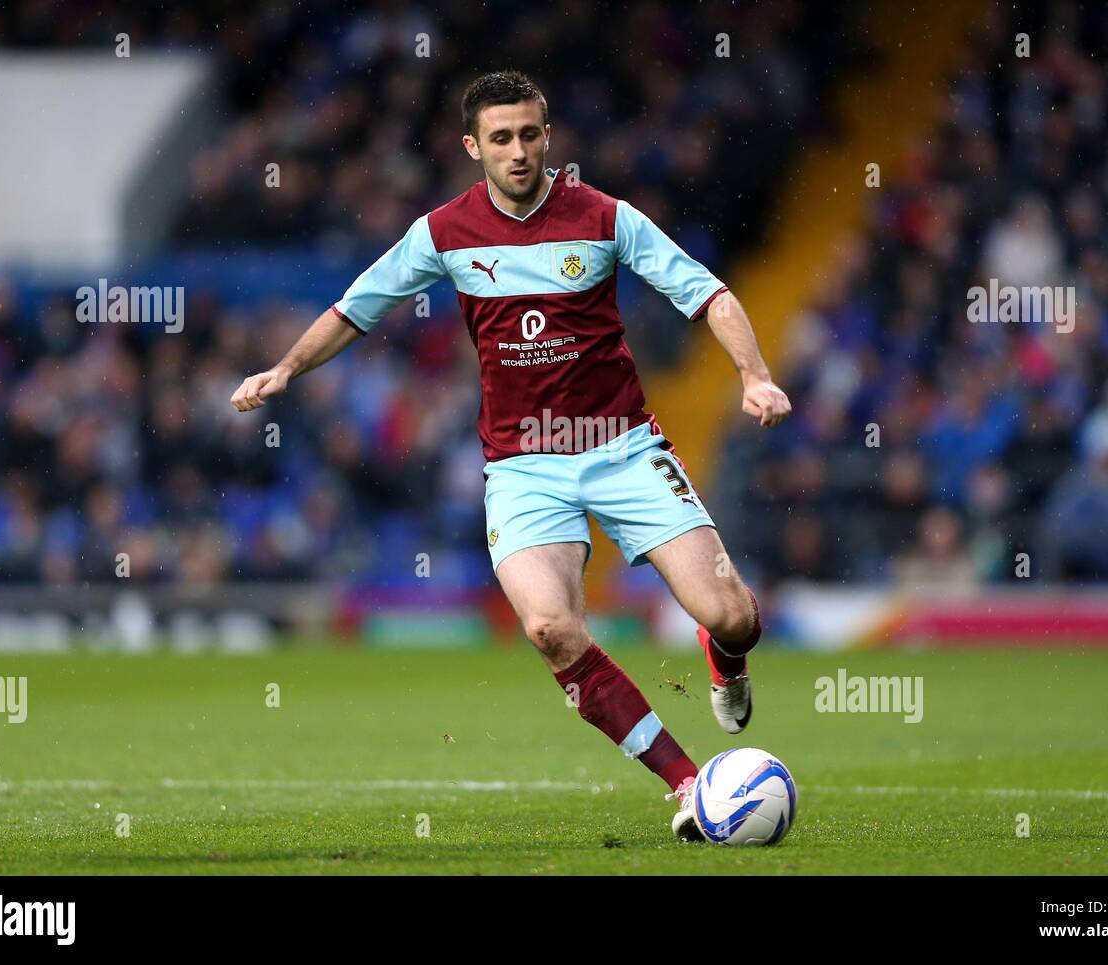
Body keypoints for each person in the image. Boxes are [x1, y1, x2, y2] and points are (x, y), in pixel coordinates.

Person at [231, 70, 791, 840]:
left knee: (731, 613)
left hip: (622, 446)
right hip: (524, 466)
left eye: (530, 134)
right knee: (549, 628)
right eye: (501, 138)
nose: (518, 151)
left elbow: (708, 293)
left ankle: (725, 656)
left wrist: (754, 376)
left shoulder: (603, 217)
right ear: (473, 147)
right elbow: (355, 306)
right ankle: (690, 782)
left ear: (548, 136)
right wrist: (287, 368)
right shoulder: (444, 232)